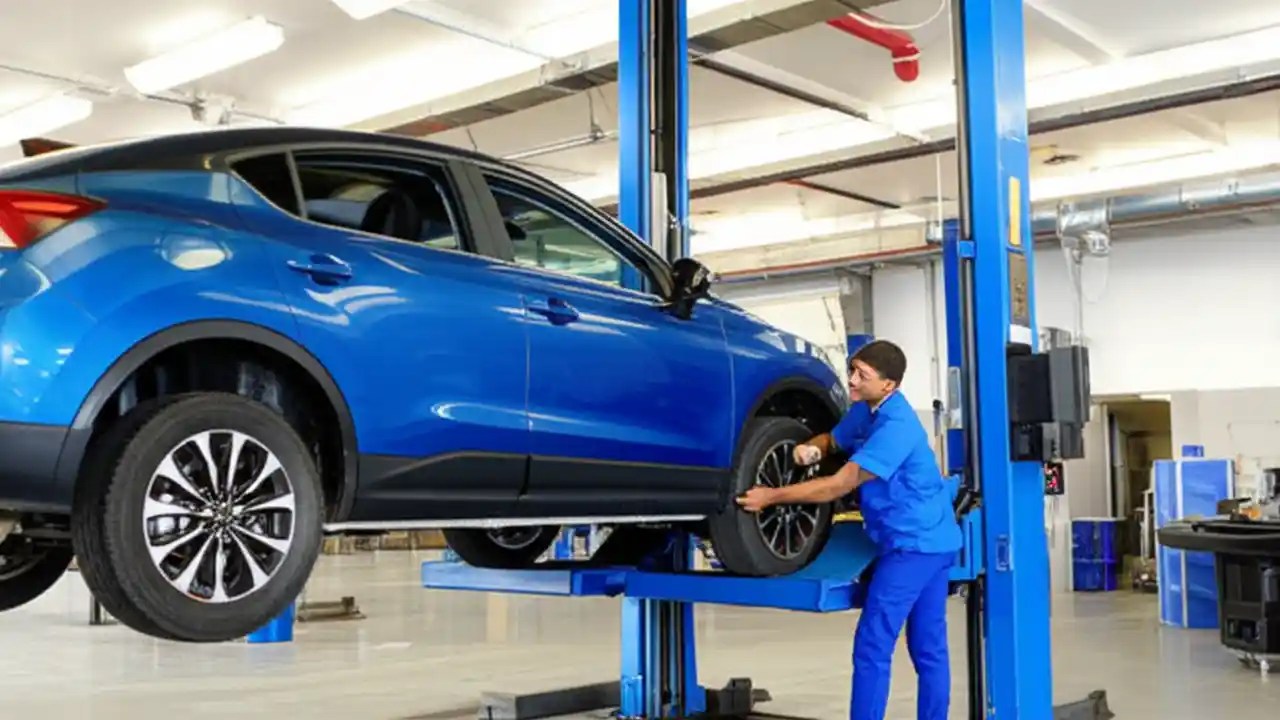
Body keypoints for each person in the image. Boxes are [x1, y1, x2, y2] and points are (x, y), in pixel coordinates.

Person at [737, 339, 962, 720]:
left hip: (914, 546)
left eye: (863, 375)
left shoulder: (898, 426)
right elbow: (836, 438)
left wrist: (772, 497)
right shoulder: (867, 410)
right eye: (852, 370)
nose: (852, 381)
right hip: (933, 540)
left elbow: (838, 485)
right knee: (929, 647)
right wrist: (816, 448)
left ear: (888, 385)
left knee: (873, 644)